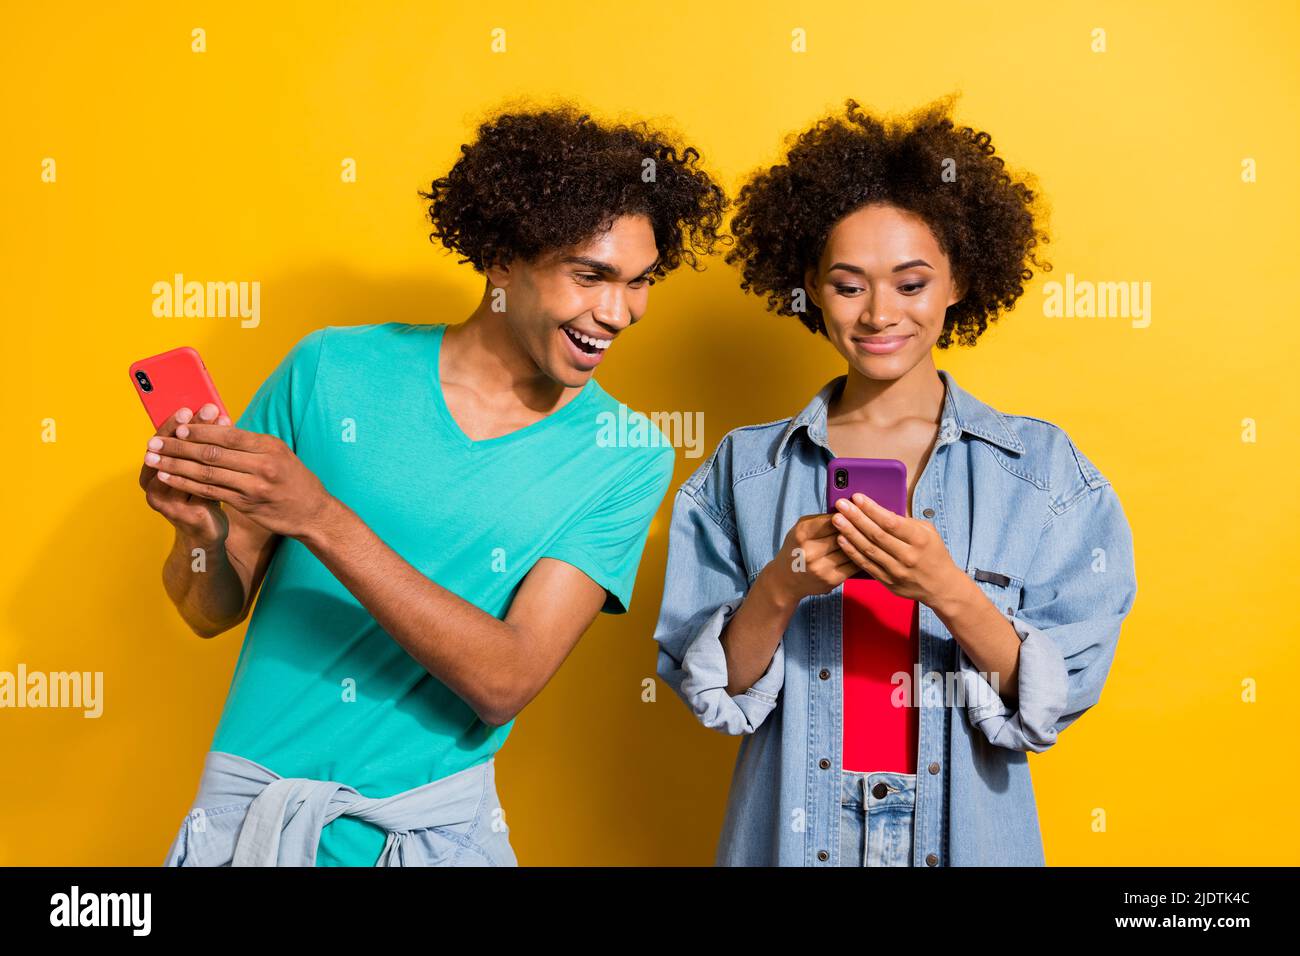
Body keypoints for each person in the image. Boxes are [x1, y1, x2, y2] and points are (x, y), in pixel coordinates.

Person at [141, 103, 727, 866]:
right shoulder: (329, 370)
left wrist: (321, 518)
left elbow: (506, 679)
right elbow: (209, 611)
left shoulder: (625, 455)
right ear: (502, 260)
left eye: (639, 282)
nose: (616, 313)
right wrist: (200, 537)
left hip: (430, 841)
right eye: (590, 276)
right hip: (249, 824)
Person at [652, 97, 1137, 866]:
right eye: (849, 285)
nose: (880, 313)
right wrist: (780, 585)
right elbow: (713, 694)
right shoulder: (743, 474)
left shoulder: (1044, 475)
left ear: (959, 283)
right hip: (795, 832)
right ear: (809, 285)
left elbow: (1059, 698)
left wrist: (948, 589)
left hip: (967, 836)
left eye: (911, 285)